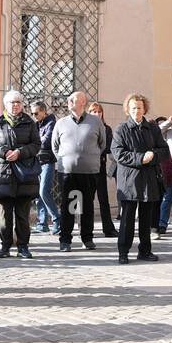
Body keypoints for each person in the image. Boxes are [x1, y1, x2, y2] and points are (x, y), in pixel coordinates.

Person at [113, 93, 168, 264]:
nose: (137, 111)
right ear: (128, 110)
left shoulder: (153, 128)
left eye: (139, 107)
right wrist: (140, 158)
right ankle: (123, 252)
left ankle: (145, 250)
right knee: (127, 219)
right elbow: (118, 153)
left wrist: (153, 155)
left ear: (145, 109)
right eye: (133, 108)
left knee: (146, 219)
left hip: (149, 179)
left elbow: (164, 150)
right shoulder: (121, 129)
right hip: (129, 180)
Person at [0, 90, 41, 258]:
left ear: (22, 104)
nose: (15, 105)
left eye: (18, 102)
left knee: (23, 215)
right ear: (6, 105)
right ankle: (5, 246)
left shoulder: (29, 123)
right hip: (3, 174)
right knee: (5, 215)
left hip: (24, 174)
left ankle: (23, 246)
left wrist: (20, 152)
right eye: (12, 102)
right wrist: (2, 151)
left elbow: (36, 144)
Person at [51, 90, 106, 251]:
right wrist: (67, 159)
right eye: (69, 100)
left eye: (73, 100)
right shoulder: (61, 123)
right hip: (67, 172)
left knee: (87, 205)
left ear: (83, 102)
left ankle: (87, 238)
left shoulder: (95, 122)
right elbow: (55, 146)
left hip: (89, 172)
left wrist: (88, 157)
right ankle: (65, 240)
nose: (69, 102)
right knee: (68, 206)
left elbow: (102, 144)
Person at [87, 102, 118, 236]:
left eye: (99, 112)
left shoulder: (107, 129)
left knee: (103, 198)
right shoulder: (85, 127)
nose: (97, 114)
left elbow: (108, 148)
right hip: (86, 168)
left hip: (100, 166)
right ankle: (87, 229)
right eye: (94, 111)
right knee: (87, 199)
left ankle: (108, 229)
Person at [32, 100, 59, 234]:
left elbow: (46, 142)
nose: (34, 116)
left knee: (44, 191)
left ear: (43, 111)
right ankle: (42, 223)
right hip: (37, 161)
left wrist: (37, 142)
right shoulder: (37, 124)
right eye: (32, 113)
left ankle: (57, 220)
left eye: (36, 113)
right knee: (38, 193)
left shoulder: (51, 122)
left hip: (48, 161)